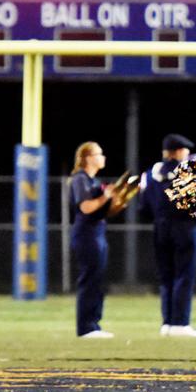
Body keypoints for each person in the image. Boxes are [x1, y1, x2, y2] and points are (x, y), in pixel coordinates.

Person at [139, 133, 196, 338]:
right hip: (185, 228)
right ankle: (181, 323)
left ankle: (167, 322)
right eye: (185, 151)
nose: (187, 154)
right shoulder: (188, 172)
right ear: (177, 152)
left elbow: (143, 209)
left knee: (166, 276)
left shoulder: (150, 173)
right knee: (184, 275)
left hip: (160, 228)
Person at [69, 142, 114, 338]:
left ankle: (94, 324)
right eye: (99, 153)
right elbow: (86, 207)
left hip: (97, 232)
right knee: (89, 280)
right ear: (88, 158)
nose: (103, 157)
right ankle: (85, 327)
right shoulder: (80, 179)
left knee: (97, 280)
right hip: (86, 233)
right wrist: (106, 197)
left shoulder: (93, 180)